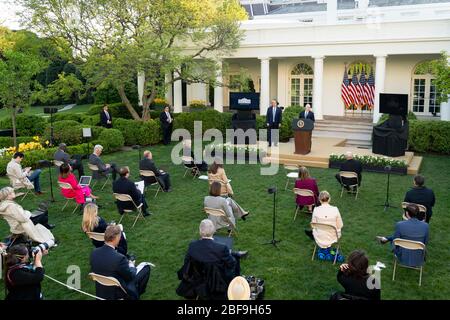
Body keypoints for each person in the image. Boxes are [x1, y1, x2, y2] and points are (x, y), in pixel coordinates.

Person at [176, 219, 247, 300]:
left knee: (231, 256)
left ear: (200, 230)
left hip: (198, 278)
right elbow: (231, 264)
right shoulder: (222, 248)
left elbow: (187, 263)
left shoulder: (192, 246)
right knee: (234, 258)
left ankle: (236, 254)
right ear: (213, 230)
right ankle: (236, 281)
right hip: (218, 282)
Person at [90, 225, 151, 300]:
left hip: (102, 291)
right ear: (115, 239)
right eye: (119, 237)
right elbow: (130, 276)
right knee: (146, 267)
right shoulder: (119, 258)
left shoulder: (94, 253)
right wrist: (131, 265)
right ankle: (135, 293)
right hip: (118, 291)